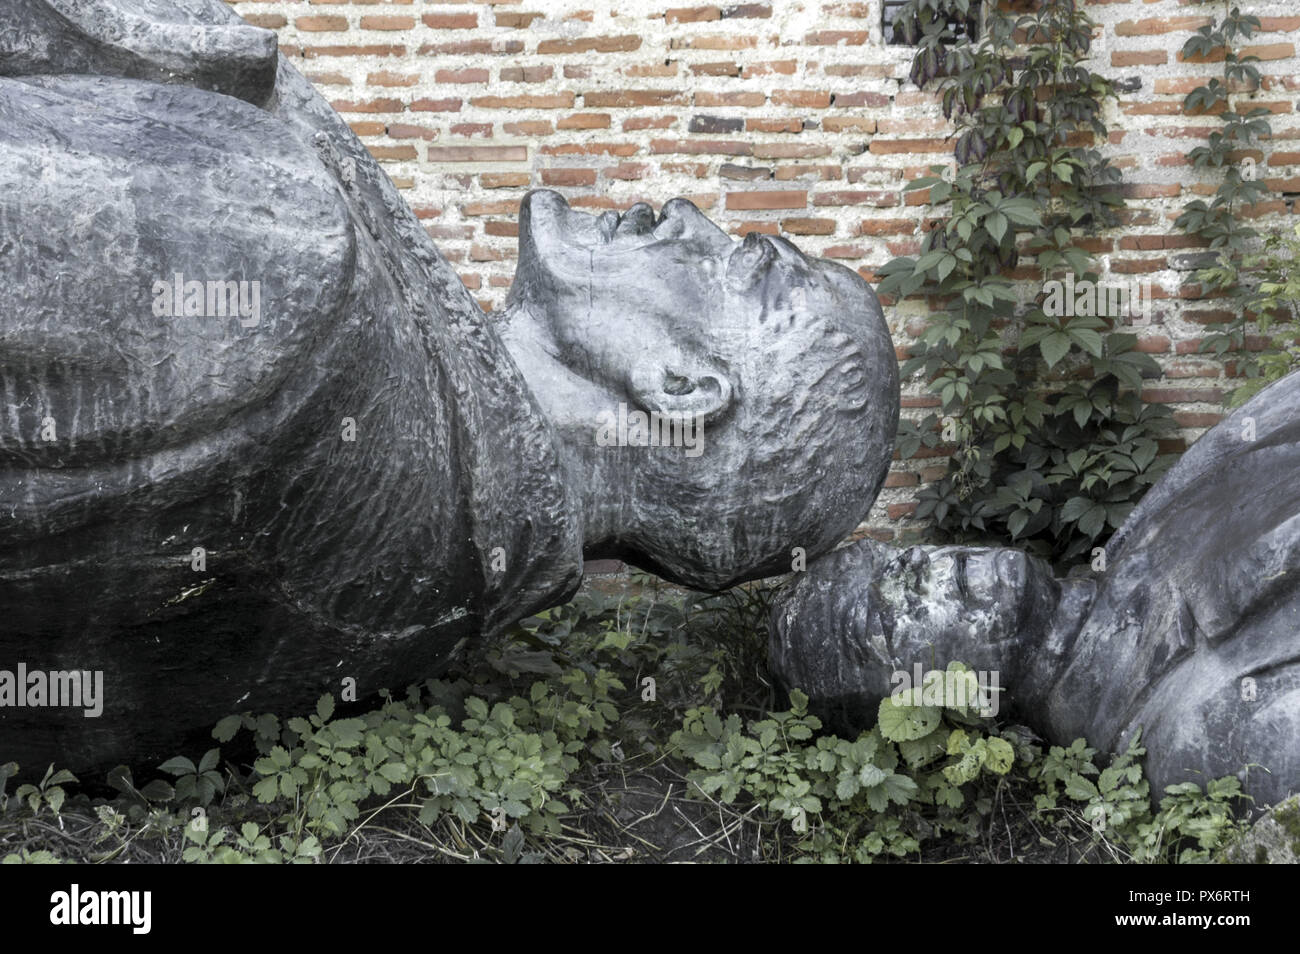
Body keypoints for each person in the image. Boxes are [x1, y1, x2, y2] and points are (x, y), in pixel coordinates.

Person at [0, 0, 898, 771]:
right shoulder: (412, 616)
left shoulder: (288, 262)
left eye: (744, 266)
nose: (688, 216)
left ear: (681, 386)